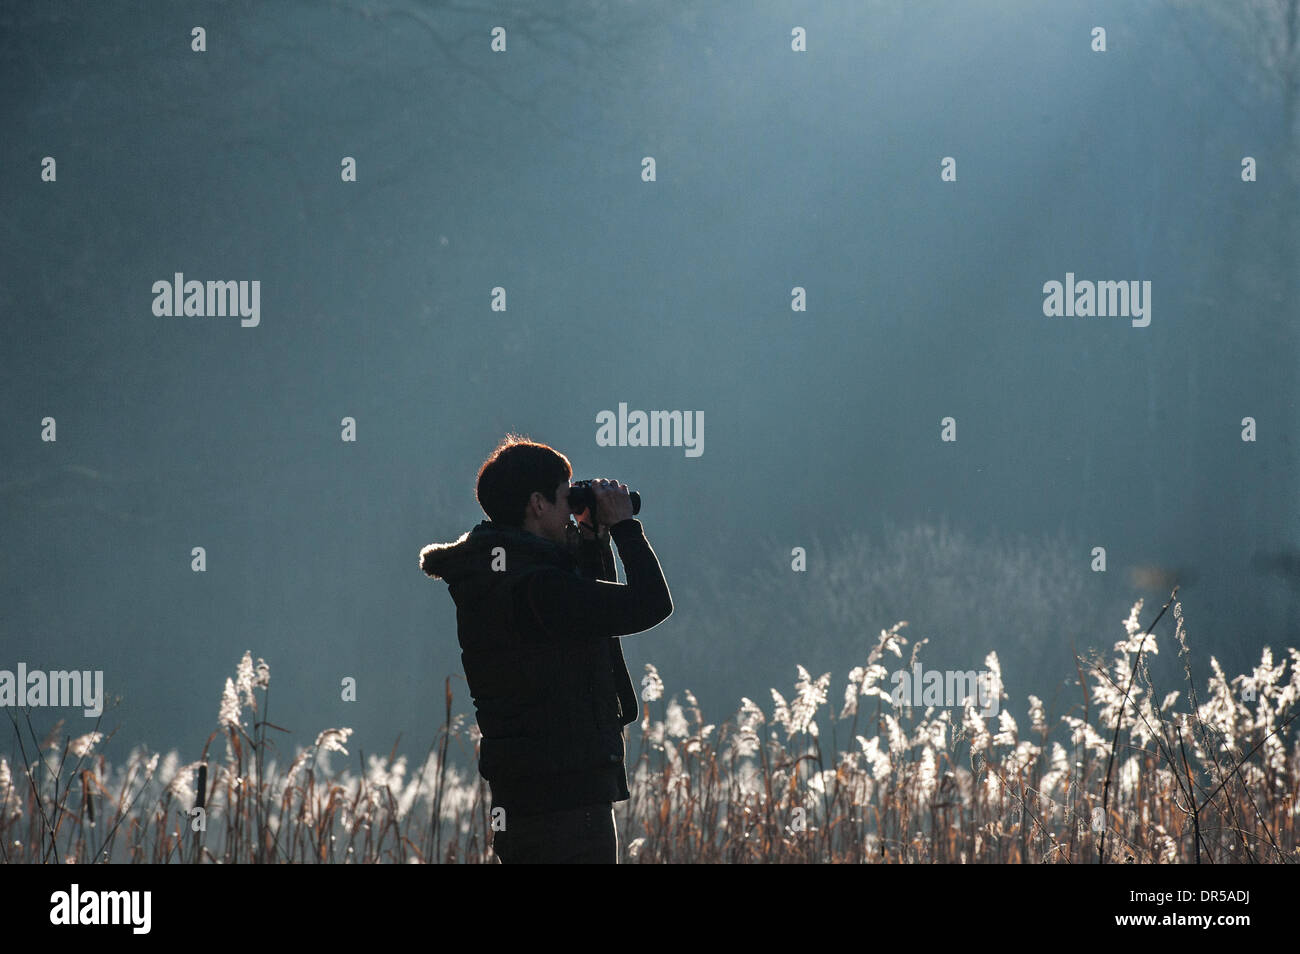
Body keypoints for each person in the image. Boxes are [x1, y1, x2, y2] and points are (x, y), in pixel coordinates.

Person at [419, 434, 673, 863]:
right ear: (537, 505)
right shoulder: (540, 589)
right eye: (563, 497)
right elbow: (651, 604)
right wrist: (626, 527)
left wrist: (592, 540)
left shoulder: (492, 575)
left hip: (521, 802)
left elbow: (583, 618)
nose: (569, 509)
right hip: (569, 808)